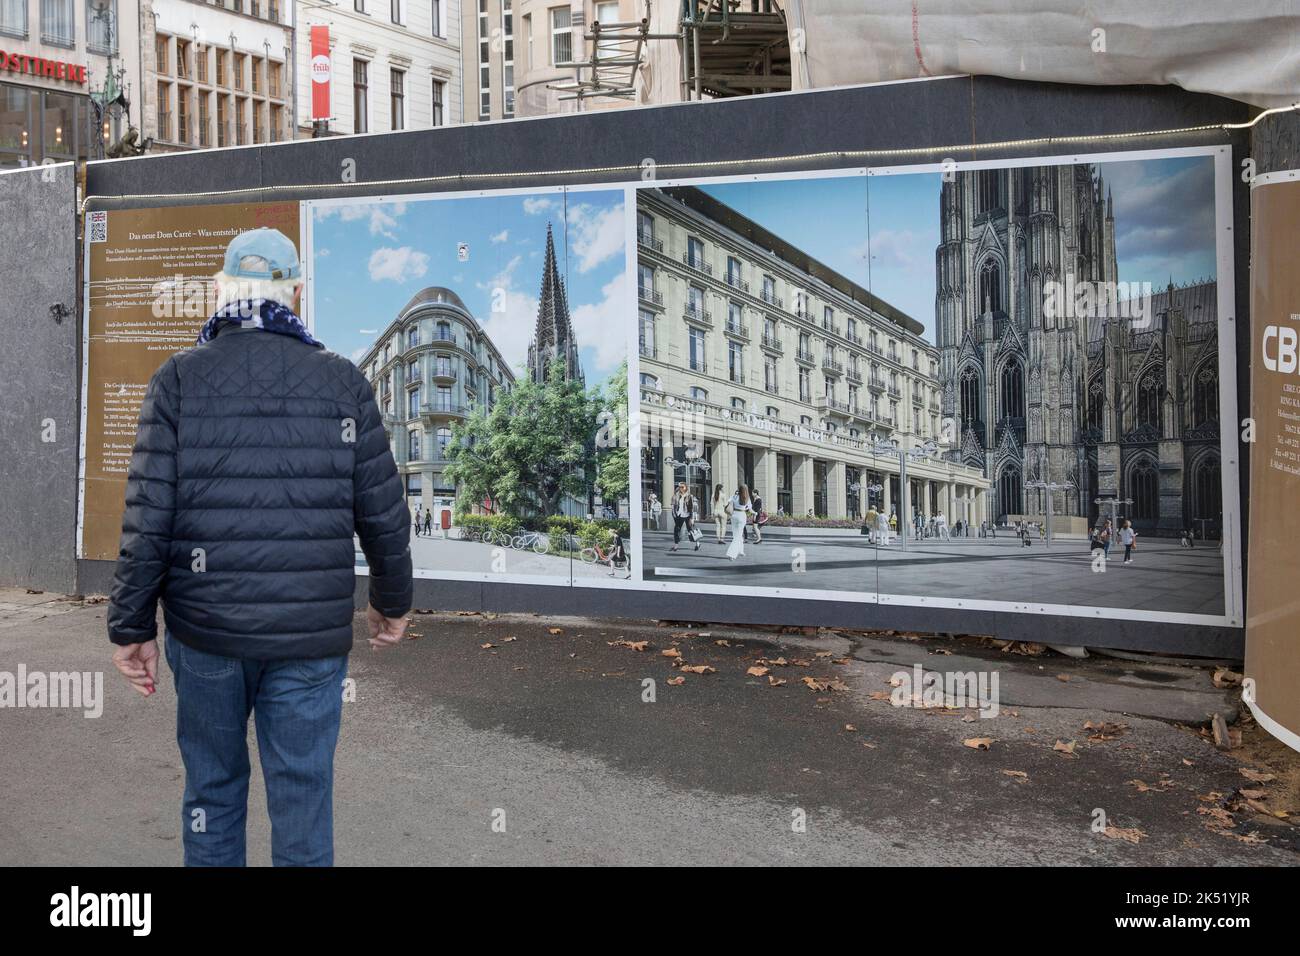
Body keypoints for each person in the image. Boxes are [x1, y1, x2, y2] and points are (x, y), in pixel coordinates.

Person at [108, 227, 412, 867]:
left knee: (211, 793)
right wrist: (392, 600)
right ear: (295, 293)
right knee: (303, 798)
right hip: (309, 638)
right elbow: (383, 511)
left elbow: (147, 518)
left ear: (222, 291)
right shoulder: (342, 383)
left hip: (206, 633)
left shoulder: (179, 380)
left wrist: (131, 626)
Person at [669, 482, 700, 552]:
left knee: (690, 530)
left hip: (687, 515)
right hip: (679, 515)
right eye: (680, 487)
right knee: (676, 530)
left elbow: (692, 507)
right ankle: (676, 545)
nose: (681, 488)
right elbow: (673, 506)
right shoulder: (675, 495)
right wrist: (674, 515)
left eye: (683, 487)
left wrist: (692, 518)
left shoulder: (689, 496)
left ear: (686, 488)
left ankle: (697, 543)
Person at [727, 485, 754, 560]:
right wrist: (755, 513)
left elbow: (727, 503)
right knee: (738, 535)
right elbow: (750, 509)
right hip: (742, 515)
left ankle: (740, 551)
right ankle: (731, 554)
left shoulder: (734, 496)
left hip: (734, 515)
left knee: (736, 534)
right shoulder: (747, 498)